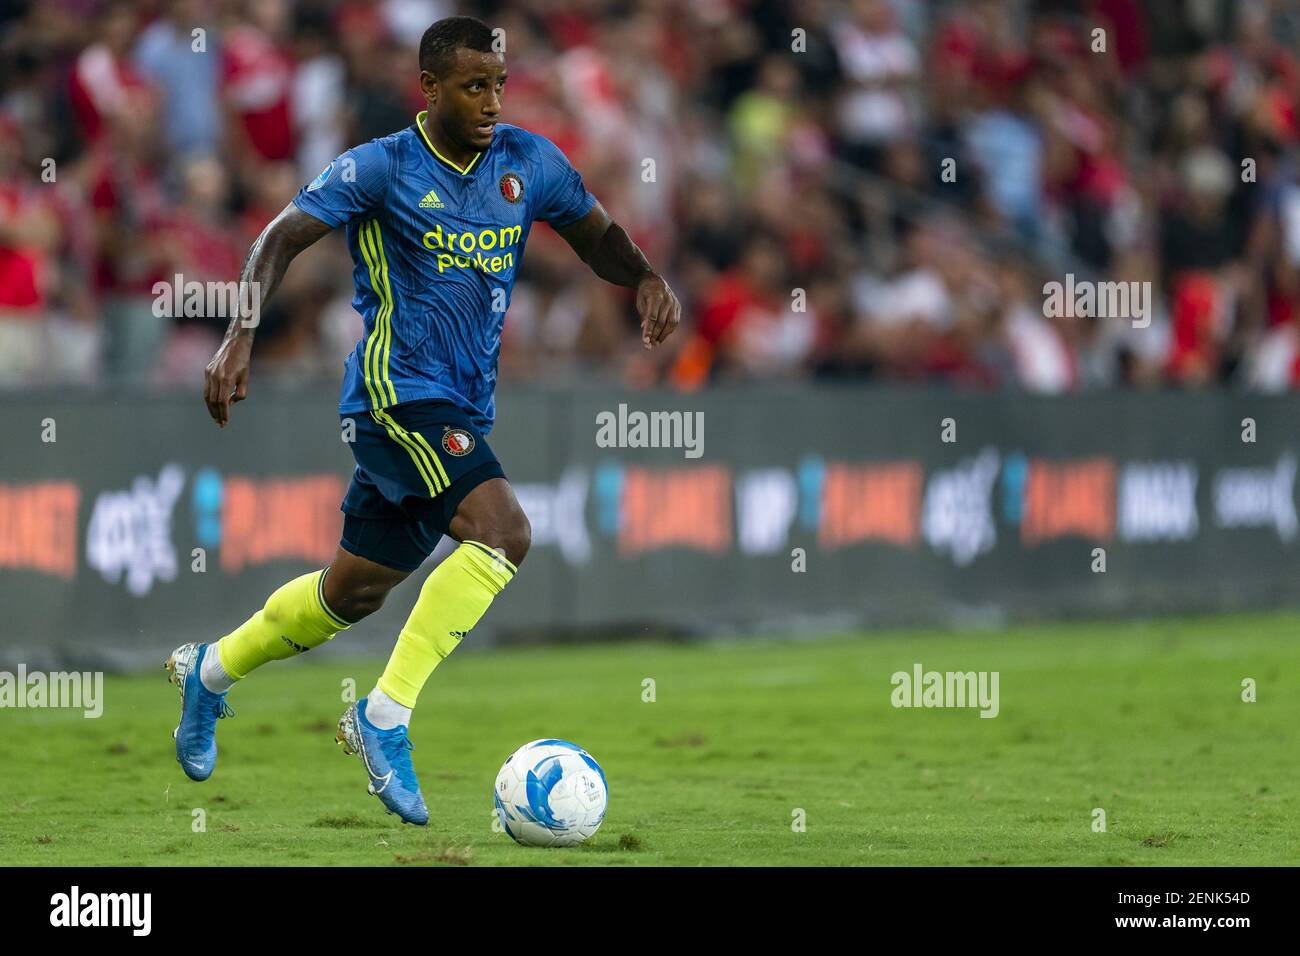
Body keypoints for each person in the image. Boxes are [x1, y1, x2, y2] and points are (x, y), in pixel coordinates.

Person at [167, 16, 681, 825]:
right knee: (504, 532)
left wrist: (645, 278)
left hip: (459, 406)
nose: (491, 102)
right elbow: (281, 235)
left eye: (500, 85)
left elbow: (596, 235)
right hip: (393, 395)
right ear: (431, 88)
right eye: (474, 86)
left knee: (352, 593)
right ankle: (383, 718)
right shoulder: (382, 167)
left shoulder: (527, 162)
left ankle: (210, 672)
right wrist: (240, 331)